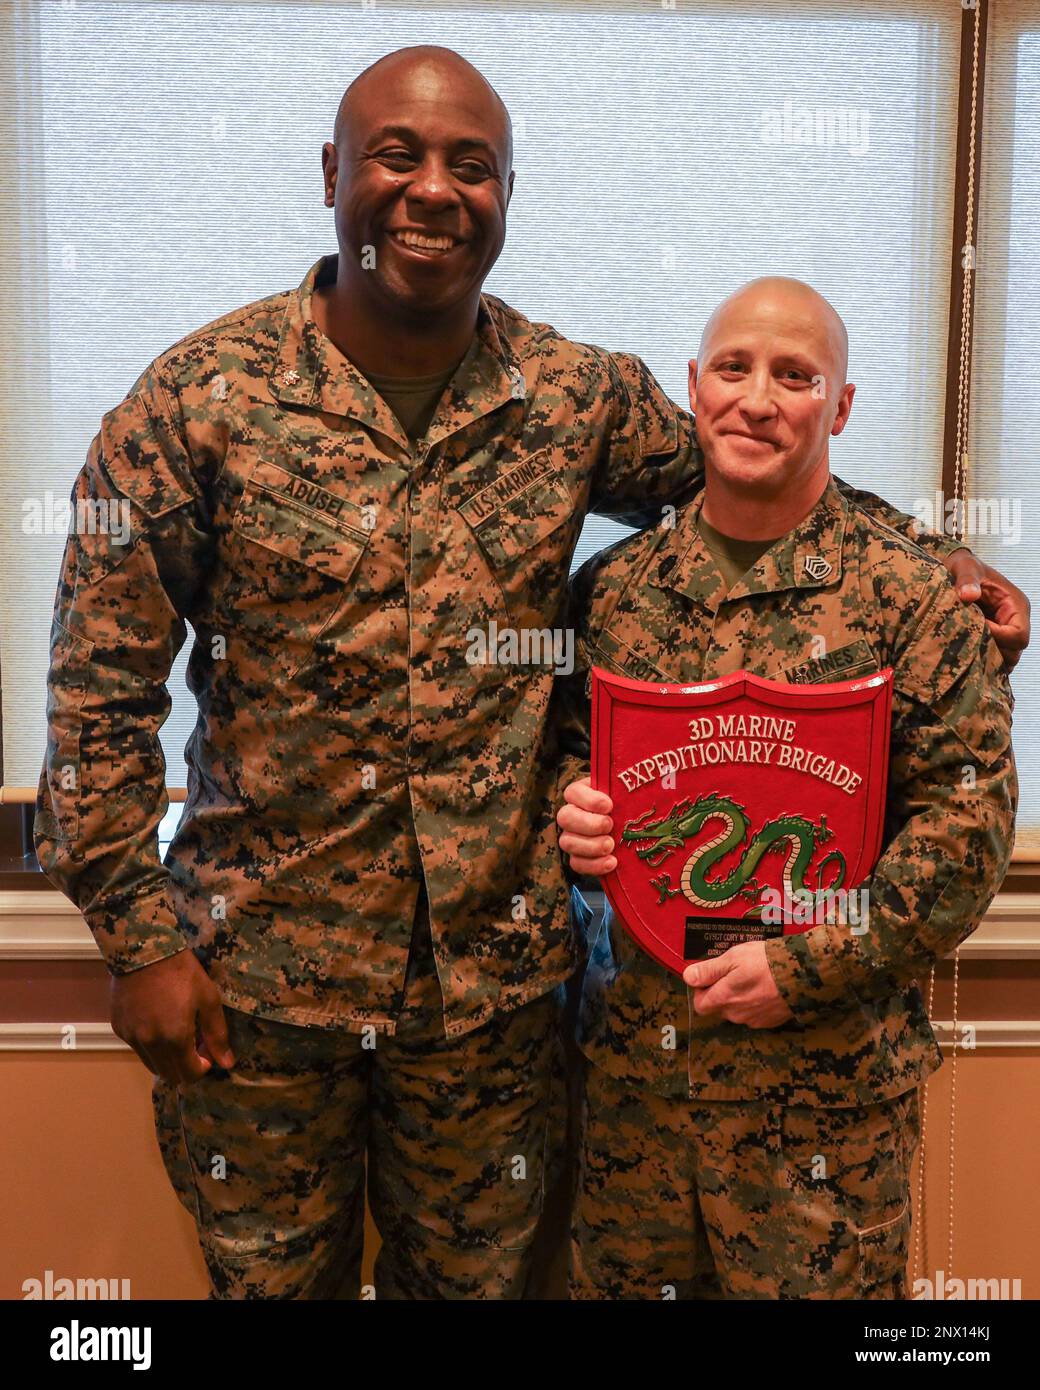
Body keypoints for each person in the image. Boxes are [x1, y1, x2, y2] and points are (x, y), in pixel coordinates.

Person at [34, 44, 1023, 1301]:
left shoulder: (568, 397)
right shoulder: (192, 403)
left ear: (508, 196)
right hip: (259, 987)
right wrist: (135, 944)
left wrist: (943, 563)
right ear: (332, 172)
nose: (432, 190)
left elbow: (755, 463)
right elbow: (94, 688)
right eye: (396, 154)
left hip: (489, 1013)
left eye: (472, 167)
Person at [555, 276, 1018, 1300]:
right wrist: (573, 813)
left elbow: (963, 834)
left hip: (821, 1107)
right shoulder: (614, 594)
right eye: (732, 368)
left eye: (794, 376)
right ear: (693, 389)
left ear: (839, 407)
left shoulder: (907, 599)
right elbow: (562, 757)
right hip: (638, 1087)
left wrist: (803, 965)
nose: (757, 399)